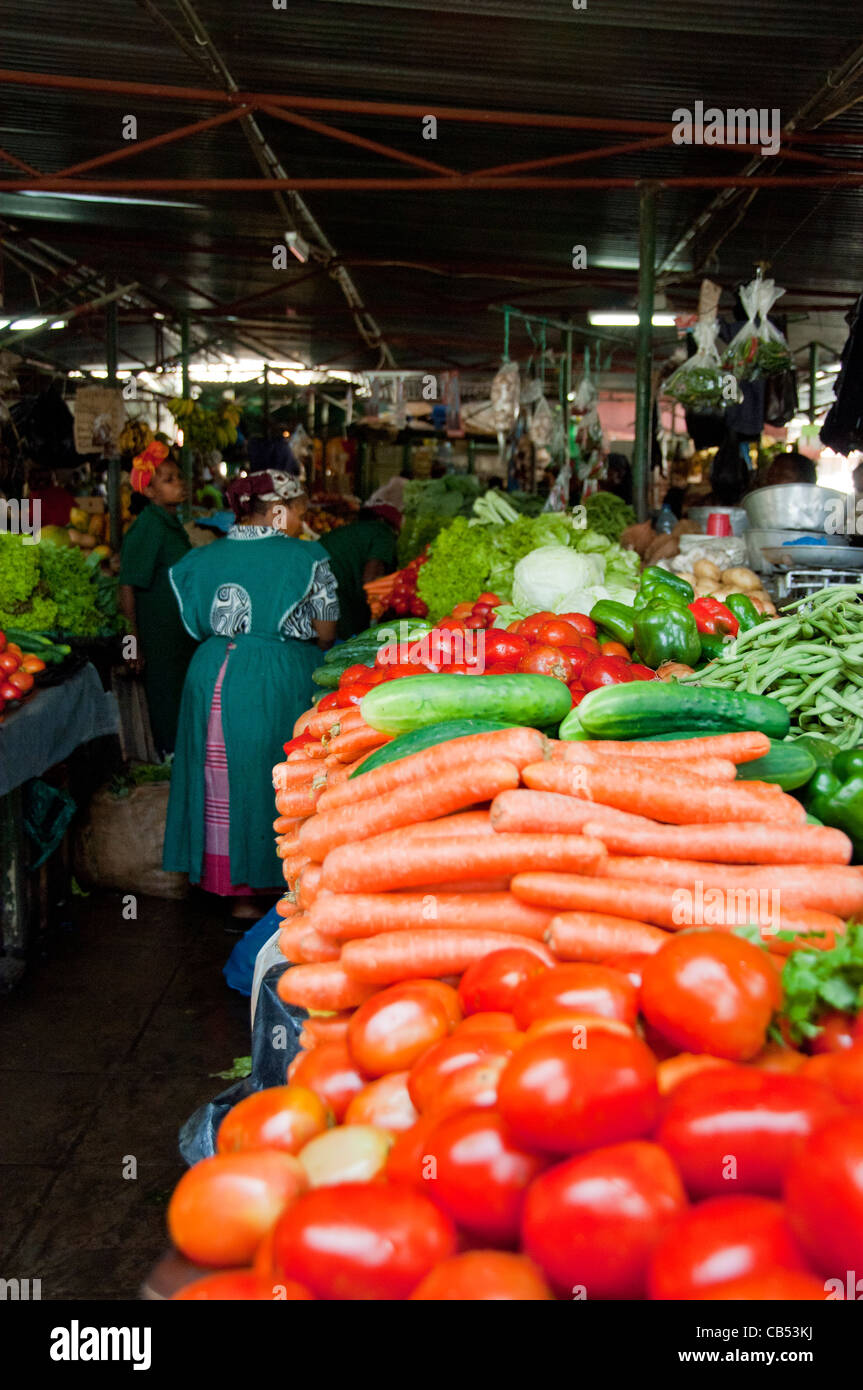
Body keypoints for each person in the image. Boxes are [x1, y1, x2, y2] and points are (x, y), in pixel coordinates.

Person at [163, 471, 337, 917]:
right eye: (299, 509)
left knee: (217, 775)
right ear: (279, 509)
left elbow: (190, 624)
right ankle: (270, 889)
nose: (302, 519)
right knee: (269, 774)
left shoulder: (201, 557)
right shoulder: (309, 556)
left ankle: (228, 890)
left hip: (209, 674)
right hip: (273, 675)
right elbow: (325, 632)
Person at [118, 444, 198, 755]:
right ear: (149, 491)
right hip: (157, 642)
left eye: (178, 477)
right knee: (165, 711)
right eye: (168, 479)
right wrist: (131, 645)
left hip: (178, 641)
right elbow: (126, 585)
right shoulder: (148, 526)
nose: (179, 483)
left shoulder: (170, 523)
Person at [320, 503, 399, 640]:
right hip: (334, 580)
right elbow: (370, 579)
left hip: (315, 573)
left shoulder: (355, 531)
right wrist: (378, 610)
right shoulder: (383, 532)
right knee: (344, 639)